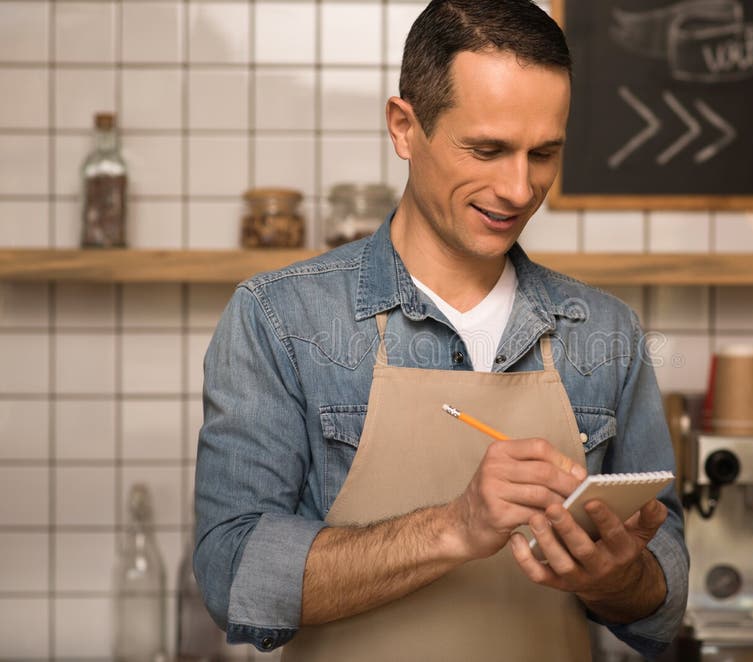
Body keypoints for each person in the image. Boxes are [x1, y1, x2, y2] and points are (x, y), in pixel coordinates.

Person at [193, 1, 688, 660]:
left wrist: (623, 581)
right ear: (404, 127)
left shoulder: (606, 333)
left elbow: (663, 606)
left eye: (543, 153)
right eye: (487, 149)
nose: (518, 188)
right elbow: (232, 577)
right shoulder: (280, 320)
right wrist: (454, 528)